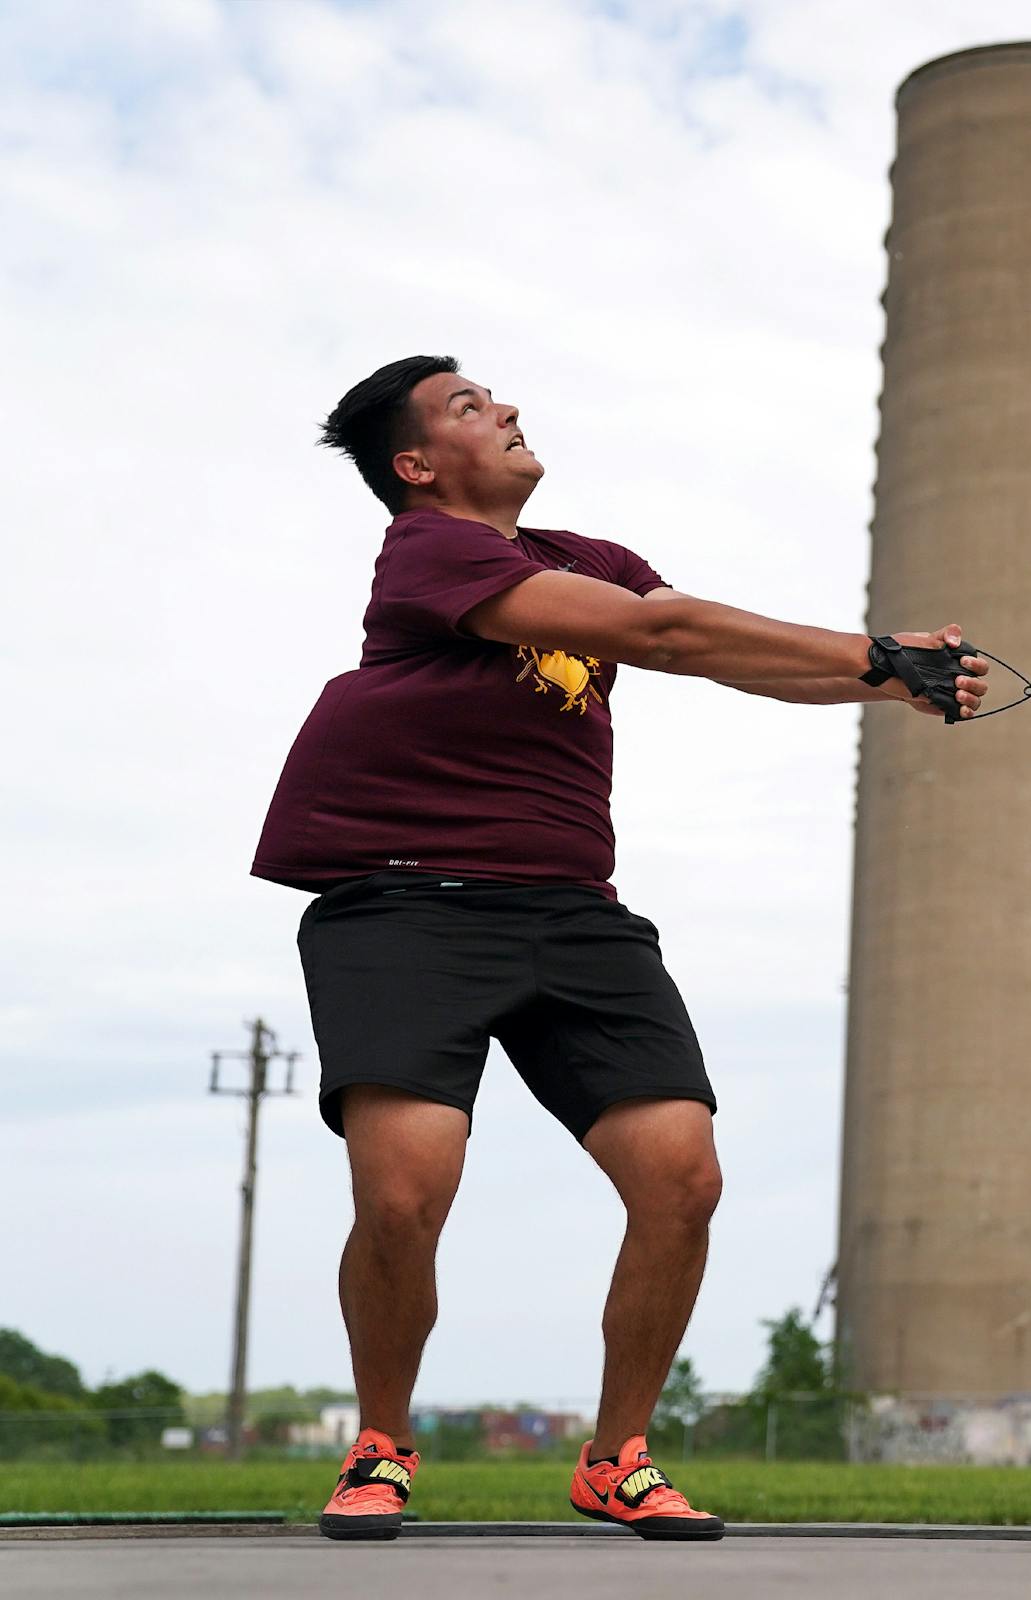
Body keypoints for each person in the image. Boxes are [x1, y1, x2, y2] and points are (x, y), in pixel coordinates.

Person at [254, 355, 984, 1541]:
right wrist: (872, 651)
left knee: (682, 1177)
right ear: (419, 464)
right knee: (403, 1192)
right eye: (468, 406)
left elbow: (711, 651)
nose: (506, 410)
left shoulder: (592, 561)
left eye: (498, 396)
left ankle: (617, 1456)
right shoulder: (431, 553)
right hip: (403, 907)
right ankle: (381, 1442)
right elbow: (673, 634)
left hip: (568, 909)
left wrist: (889, 687)